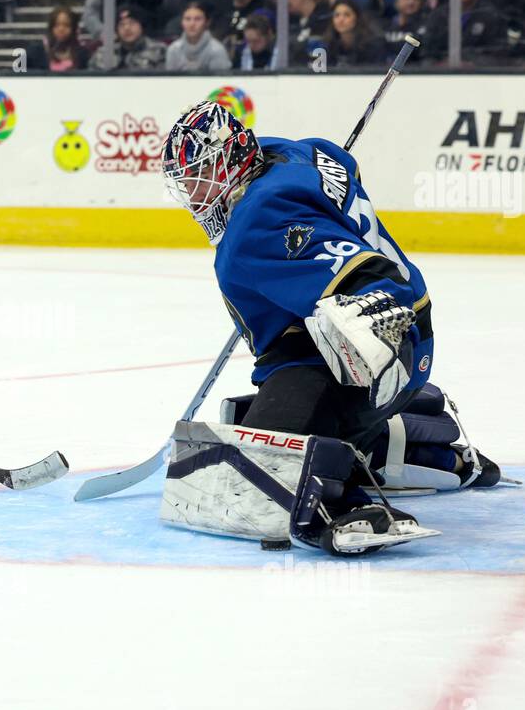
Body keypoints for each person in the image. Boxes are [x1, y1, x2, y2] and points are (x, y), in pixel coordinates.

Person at [158, 101, 499, 555]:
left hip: (378, 347)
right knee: (241, 425)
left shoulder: (252, 227)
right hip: (407, 330)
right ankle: (420, 448)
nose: (195, 196)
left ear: (230, 161)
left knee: (254, 483)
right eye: (187, 182)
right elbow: (338, 162)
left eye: (201, 177)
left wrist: (380, 326)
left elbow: (367, 280)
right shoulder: (296, 154)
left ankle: (339, 502)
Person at [89, 6, 165, 71]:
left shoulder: (159, 50)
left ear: (141, 26)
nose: (127, 28)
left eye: (132, 23)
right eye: (121, 25)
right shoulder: (103, 53)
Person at [166, 2, 230, 72]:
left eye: (197, 19)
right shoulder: (173, 49)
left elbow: (220, 81)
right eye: (187, 19)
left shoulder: (217, 50)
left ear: (207, 22)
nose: (192, 24)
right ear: (182, 22)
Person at [324, 0, 385, 66]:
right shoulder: (329, 45)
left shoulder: (372, 46)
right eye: (337, 15)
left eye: (347, 15)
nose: (341, 20)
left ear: (357, 18)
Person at [25, 6, 89, 71]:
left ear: (74, 28)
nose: (61, 29)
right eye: (57, 25)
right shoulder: (35, 52)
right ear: (51, 28)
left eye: (66, 25)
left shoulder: (82, 54)